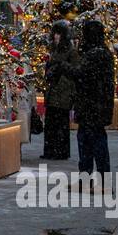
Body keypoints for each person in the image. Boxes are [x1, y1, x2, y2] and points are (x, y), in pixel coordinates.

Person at [74, 20, 115, 177]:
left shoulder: (95, 54)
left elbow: (81, 74)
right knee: (92, 141)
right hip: (96, 105)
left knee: (91, 143)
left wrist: (62, 67)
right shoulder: (102, 52)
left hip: (91, 106)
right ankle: (90, 177)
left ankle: (95, 178)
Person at [41, 20, 78, 160]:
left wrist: (58, 74)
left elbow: (73, 71)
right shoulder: (53, 49)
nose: (56, 36)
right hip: (52, 90)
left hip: (62, 91)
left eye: (59, 34)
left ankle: (60, 151)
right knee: (51, 122)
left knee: (61, 123)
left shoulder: (70, 51)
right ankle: (50, 150)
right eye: (55, 33)